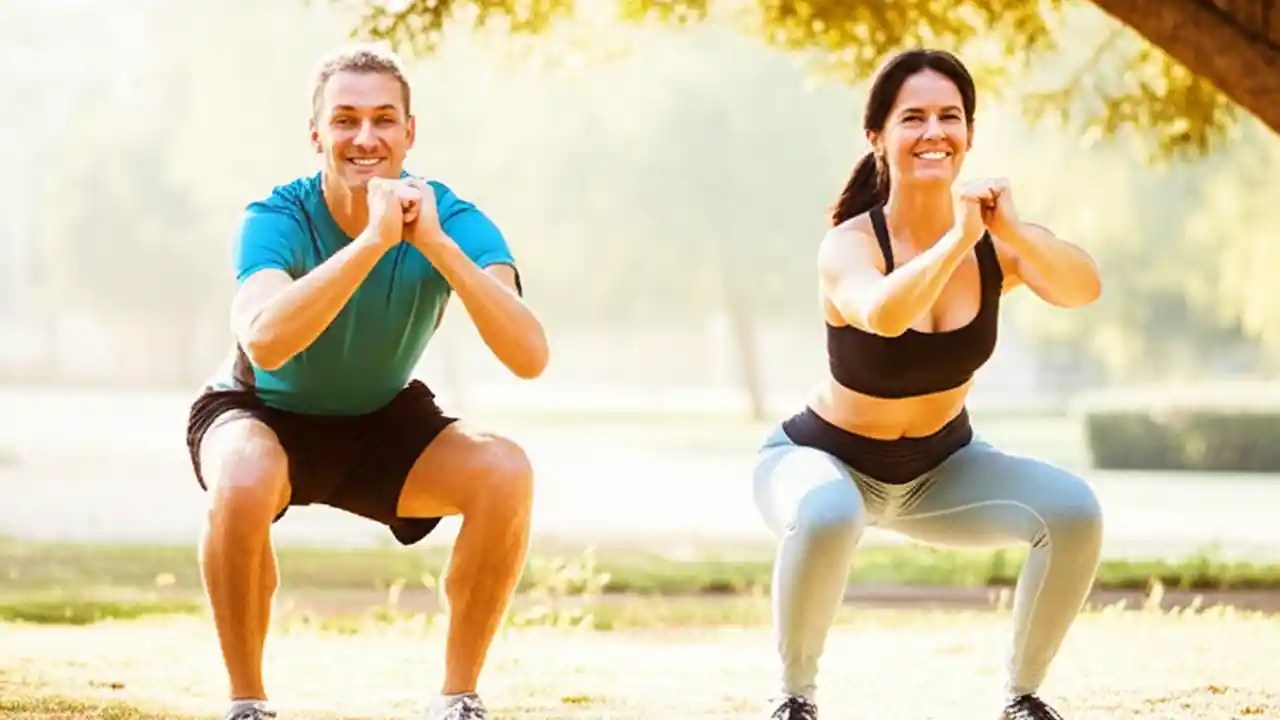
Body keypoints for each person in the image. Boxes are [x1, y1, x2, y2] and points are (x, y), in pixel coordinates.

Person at [185, 44, 549, 720]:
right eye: (345, 119)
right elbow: (264, 339)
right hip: (262, 410)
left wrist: (434, 245)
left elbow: (529, 355)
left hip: (379, 418)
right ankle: (248, 703)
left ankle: (458, 698)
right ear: (316, 134)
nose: (365, 137)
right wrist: (374, 242)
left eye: (383, 119)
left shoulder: (453, 218)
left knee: (505, 471)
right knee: (241, 477)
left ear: (410, 133)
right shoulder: (276, 216)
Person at [751, 49, 1104, 720]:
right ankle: (795, 700)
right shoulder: (850, 244)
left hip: (943, 468)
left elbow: (1083, 288)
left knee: (1074, 512)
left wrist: (1013, 232)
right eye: (912, 118)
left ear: (969, 133)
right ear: (878, 136)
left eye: (950, 116)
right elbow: (884, 314)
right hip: (822, 460)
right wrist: (956, 241)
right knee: (829, 514)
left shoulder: (997, 244)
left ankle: (1023, 698)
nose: (933, 131)